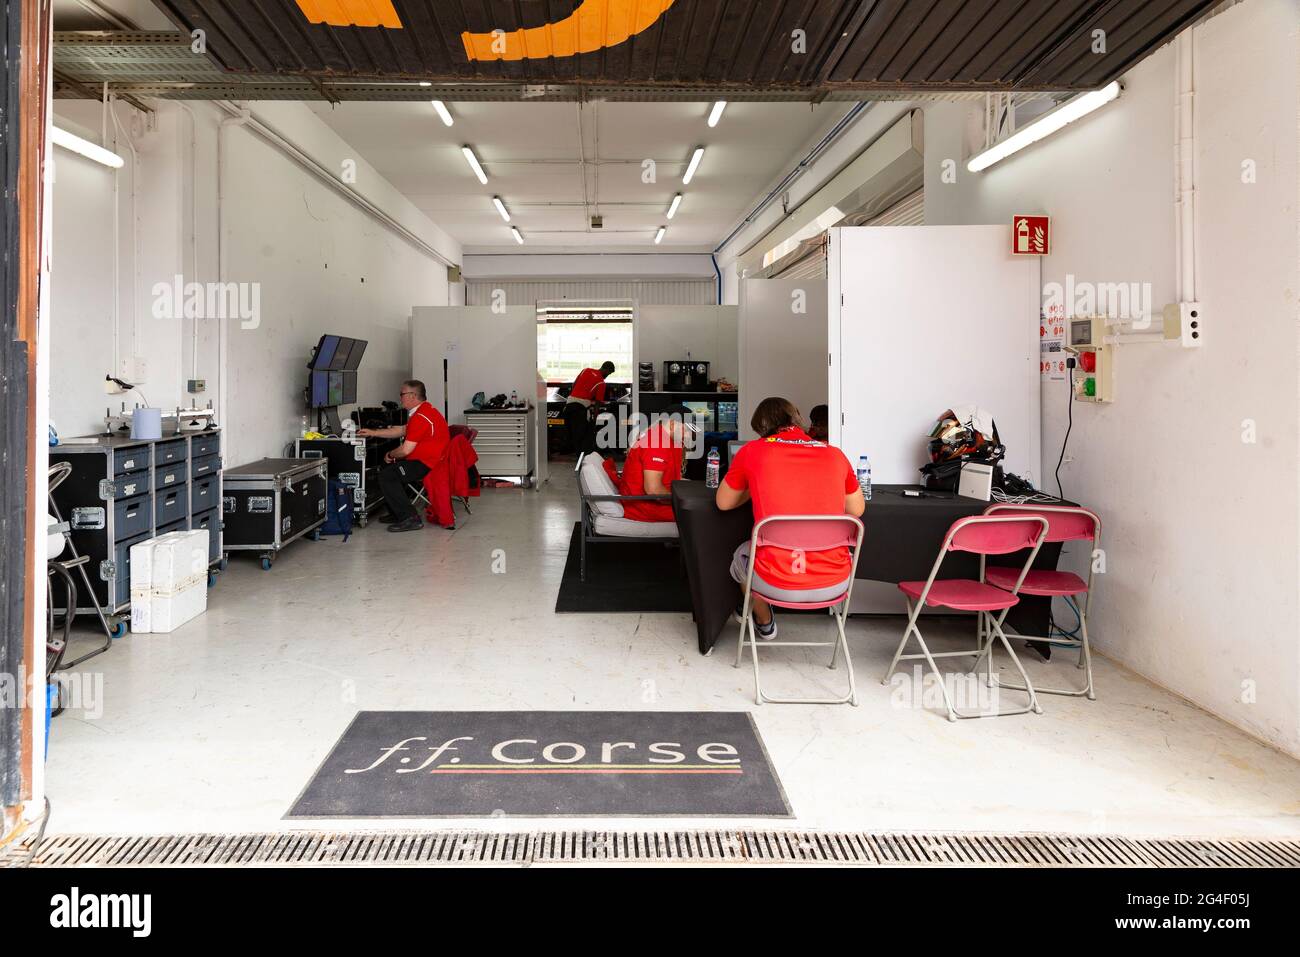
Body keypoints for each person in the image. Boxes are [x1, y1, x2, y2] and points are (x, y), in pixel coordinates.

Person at [715, 397, 865, 639]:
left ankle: (763, 620)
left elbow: (723, 502)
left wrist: (754, 485)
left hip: (774, 581)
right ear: (796, 418)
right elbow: (856, 510)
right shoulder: (834, 454)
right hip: (835, 582)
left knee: (740, 556)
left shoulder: (752, 451)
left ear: (760, 427)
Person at [358, 380, 449, 533]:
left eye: (402, 394)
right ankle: (397, 512)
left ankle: (410, 518)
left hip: (428, 463)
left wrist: (390, 454)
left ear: (413, 396)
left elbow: (406, 450)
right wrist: (373, 432)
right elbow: (402, 430)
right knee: (386, 468)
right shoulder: (424, 411)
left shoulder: (421, 417)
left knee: (388, 475)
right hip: (430, 458)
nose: (400, 398)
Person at [621, 404, 697, 522]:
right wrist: (681, 500)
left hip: (651, 502)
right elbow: (653, 490)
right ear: (672, 424)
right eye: (686, 429)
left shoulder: (668, 438)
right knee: (704, 512)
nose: (688, 435)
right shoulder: (657, 443)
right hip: (644, 508)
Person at [563, 360, 615, 456]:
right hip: (580, 410)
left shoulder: (585, 370)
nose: (608, 375)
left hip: (568, 405)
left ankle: (574, 454)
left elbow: (574, 385)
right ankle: (582, 459)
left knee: (571, 433)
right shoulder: (601, 383)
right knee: (584, 435)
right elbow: (598, 403)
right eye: (609, 373)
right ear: (607, 370)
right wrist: (594, 419)